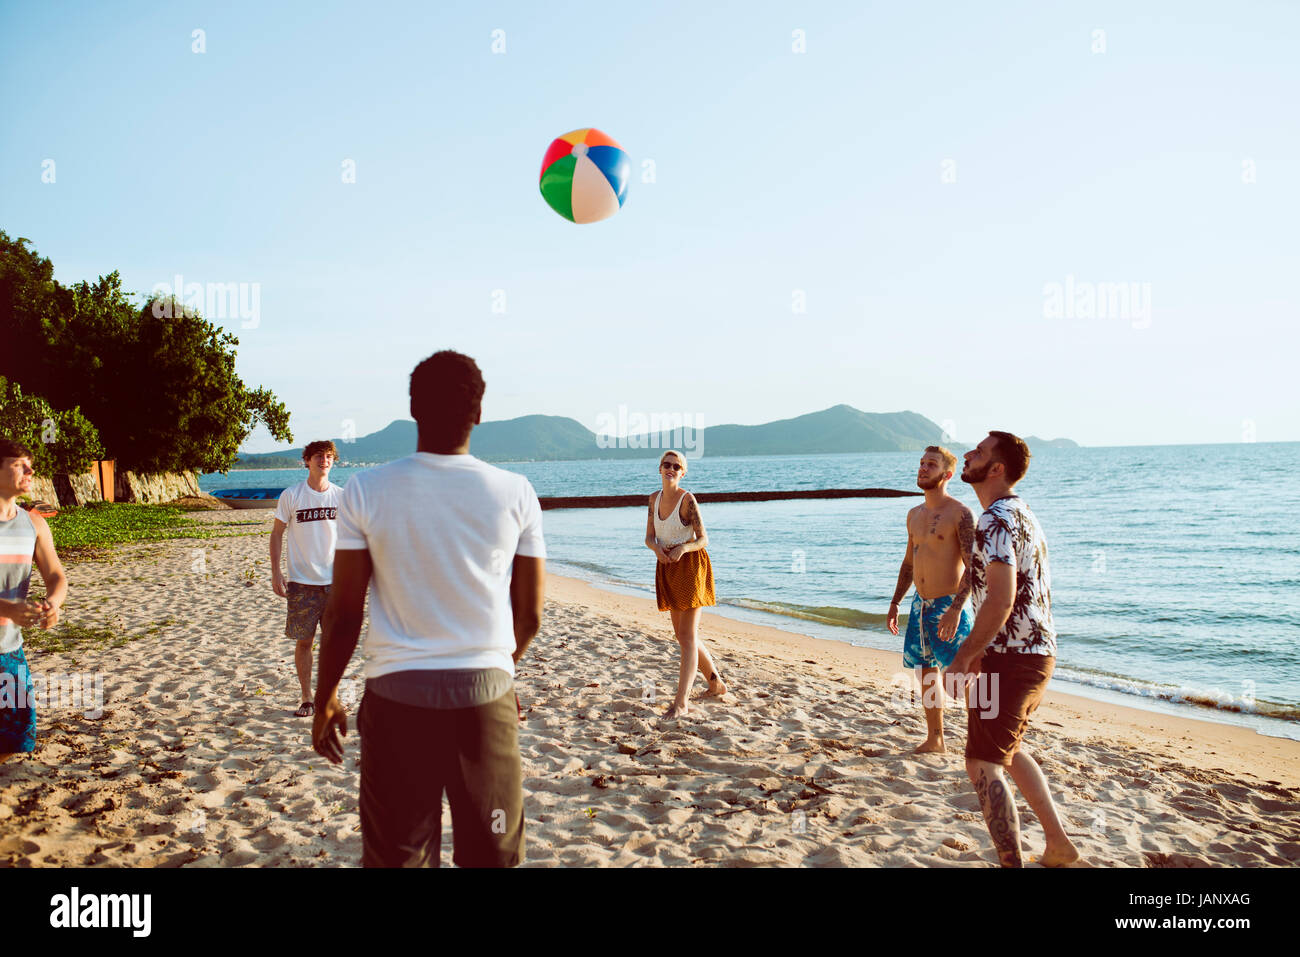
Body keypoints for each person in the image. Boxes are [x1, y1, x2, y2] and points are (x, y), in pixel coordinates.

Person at [311, 350, 545, 868]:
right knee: (493, 857)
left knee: (399, 857)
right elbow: (528, 617)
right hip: (485, 701)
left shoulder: (367, 490)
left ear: (413, 408)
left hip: (397, 703)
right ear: (479, 414)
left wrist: (326, 697)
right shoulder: (517, 493)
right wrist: (500, 671)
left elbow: (344, 612)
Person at [946, 431, 1079, 867]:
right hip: (1034, 653)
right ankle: (1059, 846)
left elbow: (1002, 600)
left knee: (981, 763)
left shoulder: (994, 520)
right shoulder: (1021, 512)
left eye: (979, 452)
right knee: (1008, 749)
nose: (968, 454)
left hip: (1013, 659)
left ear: (997, 469)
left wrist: (965, 655)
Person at [886, 446, 975, 752]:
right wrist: (896, 602)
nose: (923, 468)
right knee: (925, 673)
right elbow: (909, 563)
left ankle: (981, 740)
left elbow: (973, 566)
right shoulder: (914, 514)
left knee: (963, 679)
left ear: (947, 474)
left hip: (949, 606)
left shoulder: (960, 514)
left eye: (931, 465)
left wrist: (956, 608)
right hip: (919, 604)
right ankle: (936, 738)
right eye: (922, 463)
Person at [0, 439, 68, 763]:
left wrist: (54, 602)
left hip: (9, 650)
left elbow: (56, 575)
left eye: (31, 465)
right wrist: (8, 609)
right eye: (19, 465)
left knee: (15, 737)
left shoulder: (34, 524)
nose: (30, 471)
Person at [646, 449, 726, 719]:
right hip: (667, 567)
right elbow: (649, 537)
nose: (671, 469)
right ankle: (715, 684)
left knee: (688, 636)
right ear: (659, 469)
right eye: (666, 464)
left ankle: (681, 702)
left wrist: (683, 549)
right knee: (682, 636)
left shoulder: (687, 500)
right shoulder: (653, 500)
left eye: (676, 466)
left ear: (683, 472)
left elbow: (703, 539)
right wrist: (657, 549)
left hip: (691, 567)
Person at [271, 440, 343, 718]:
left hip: (335, 583)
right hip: (301, 583)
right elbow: (277, 533)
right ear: (307, 461)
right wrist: (276, 572)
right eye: (318, 456)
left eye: (328, 457)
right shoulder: (291, 495)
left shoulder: (341, 496)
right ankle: (306, 697)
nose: (324, 460)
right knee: (305, 642)